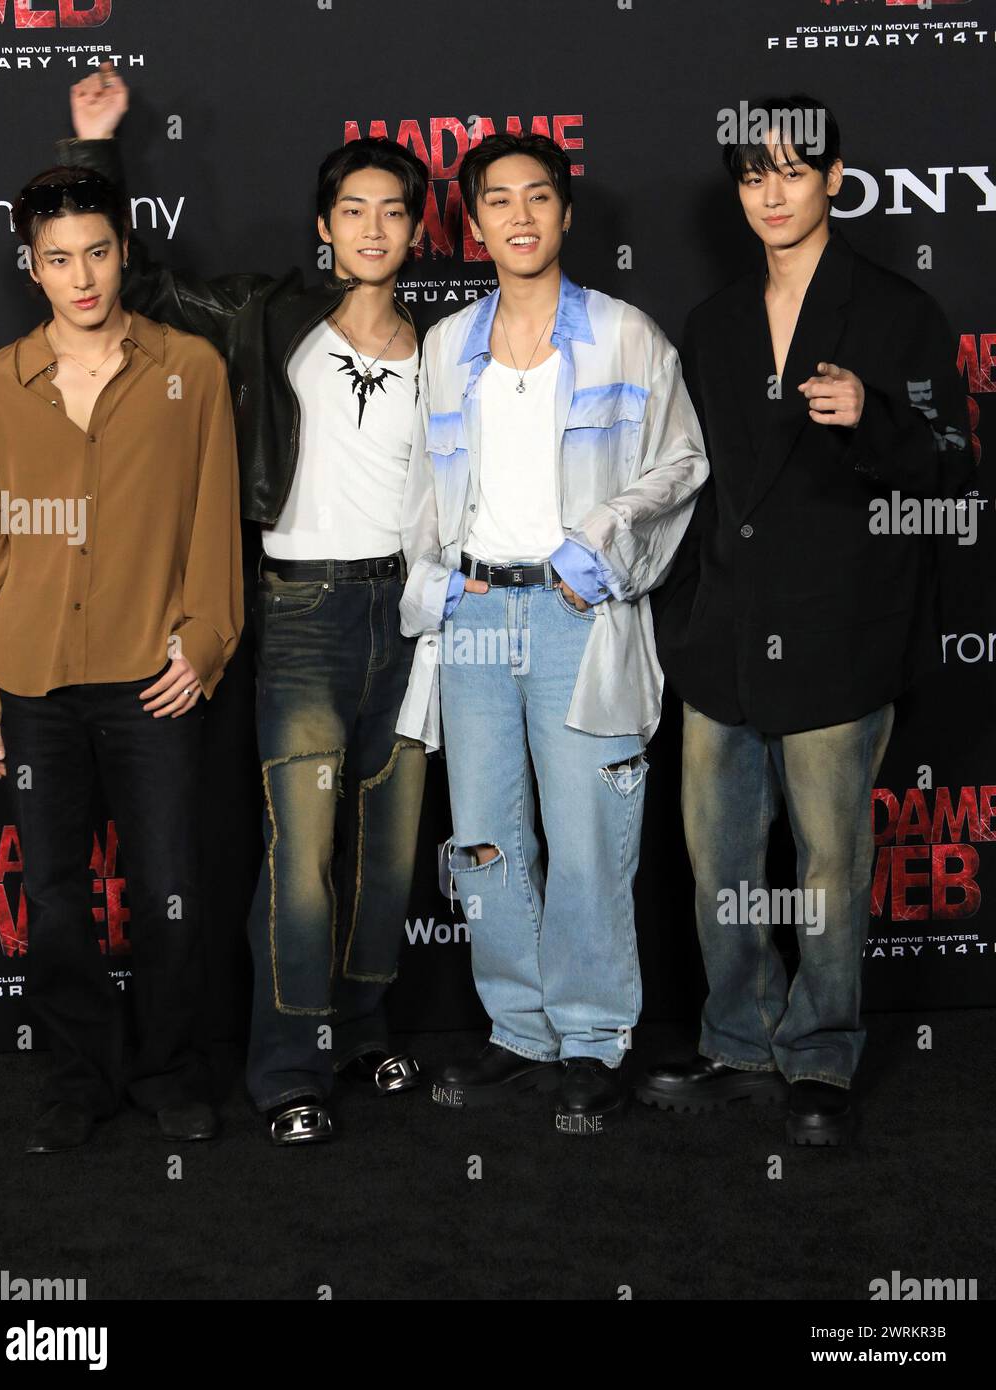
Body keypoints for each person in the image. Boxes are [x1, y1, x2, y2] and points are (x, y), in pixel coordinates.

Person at [60, 64, 432, 1145]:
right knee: (302, 852)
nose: (372, 228)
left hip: (407, 619)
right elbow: (147, 286)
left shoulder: (445, 350)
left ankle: (360, 1030)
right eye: (352, 209)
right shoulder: (263, 316)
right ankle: (288, 1068)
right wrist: (94, 156)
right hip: (304, 614)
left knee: (386, 848)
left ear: (415, 230)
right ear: (324, 226)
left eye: (392, 211)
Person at [640, 95, 974, 1145]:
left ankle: (821, 1057)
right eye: (751, 175)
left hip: (837, 632)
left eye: (791, 170)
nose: (770, 192)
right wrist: (685, 612)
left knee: (827, 863)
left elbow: (953, 472)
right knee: (721, 862)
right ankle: (737, 1036)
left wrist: (870, 420)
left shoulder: (894, 311)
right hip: (724, 639)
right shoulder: (712, 322)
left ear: (833, 179)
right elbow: (686, 483)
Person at [396, 132, 709, 1135]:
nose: (519, 217)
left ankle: (590, 1036)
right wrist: (437, 587)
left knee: (587, 836)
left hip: (578, 613)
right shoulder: (445, 345)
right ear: (473, 219)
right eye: (498, 200)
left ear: (565, 215)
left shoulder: (624, 335)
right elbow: (420, 493)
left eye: (539, 197)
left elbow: (680, 463)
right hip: (478, 613)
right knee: (483, 838)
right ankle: (518, 1030)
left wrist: (596, 554)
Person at [0, 165, 243, 1152]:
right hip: (31, 675)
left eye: (98, 253)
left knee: (171, 881)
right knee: (51, 893)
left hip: (149, 674)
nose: (82, 277)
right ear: (29, 268)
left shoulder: (189, 370)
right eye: (58, 258)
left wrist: (205, 638)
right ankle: (80, 1078)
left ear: (126, 252)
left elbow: (212, 522)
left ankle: (168, 1069)